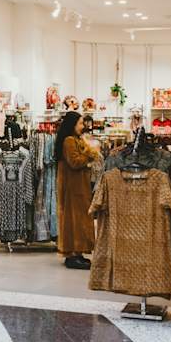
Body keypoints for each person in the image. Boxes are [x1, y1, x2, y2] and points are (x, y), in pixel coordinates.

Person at [55, 110, 102, 269]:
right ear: (72, 124)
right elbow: (74, 162)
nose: (83, 126)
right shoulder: (69, 141)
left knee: (79, 220)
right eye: (80, 123)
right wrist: (90, 156)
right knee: (75, 220)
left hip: (78, 186)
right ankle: (73, 254)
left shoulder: (75, 139)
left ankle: (78, 253)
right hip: (73, 188)